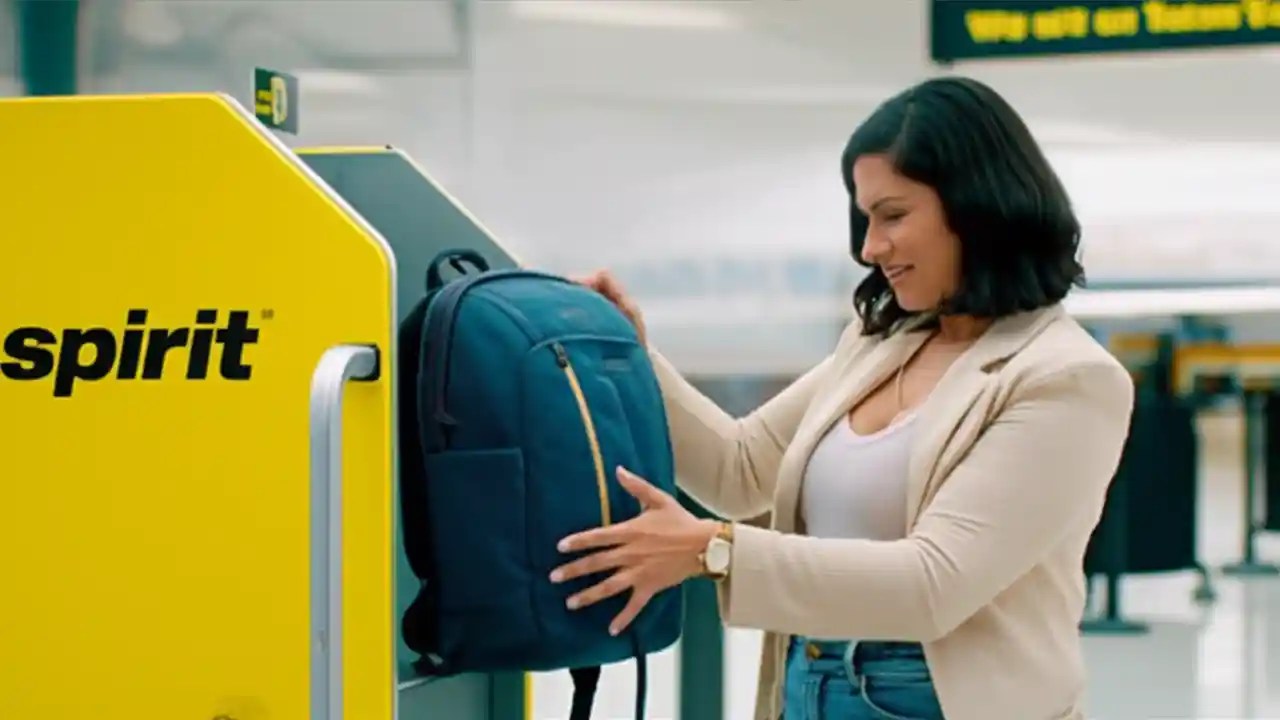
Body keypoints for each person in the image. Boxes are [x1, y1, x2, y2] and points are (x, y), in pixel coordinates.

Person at [549, 76, 1135, 720]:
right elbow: (738, 470)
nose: (869, 247)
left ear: (976, 207)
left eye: (893, 215)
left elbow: (932, 584)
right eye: (865, 218)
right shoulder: (880, 340)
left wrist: (711, 549)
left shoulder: (1068, 378)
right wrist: (634, 356)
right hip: (810, 683)